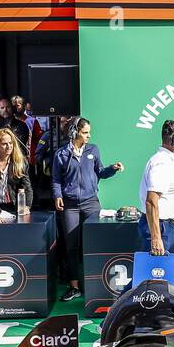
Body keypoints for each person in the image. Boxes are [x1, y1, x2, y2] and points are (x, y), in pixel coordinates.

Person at [53, 117, 121, 301]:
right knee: (71, 246)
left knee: (96, 243)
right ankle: (74, 286)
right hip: (70, 205)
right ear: (75, 132)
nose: (88, 136)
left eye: (89, 132)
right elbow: (56, 179)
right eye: (85, 132)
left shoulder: (93, 150)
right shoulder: (61, 154)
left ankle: (98, 284)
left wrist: (112, 169)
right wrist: (58, 195)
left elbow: (100, 172)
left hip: (91, 202)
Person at [138, 119, 174, 295]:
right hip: (160, 228)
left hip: (173, 229)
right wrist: (156, 237)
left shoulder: (170, 161)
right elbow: (151, 200)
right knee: (146, 277)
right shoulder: (162, 163)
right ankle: (117, 316)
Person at [0, 127, 33, 216]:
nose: (8, 146)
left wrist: (27, 206)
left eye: (10, 143)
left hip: (13, 206)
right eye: (4, 144)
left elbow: (27, 187)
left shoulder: (20, 162)